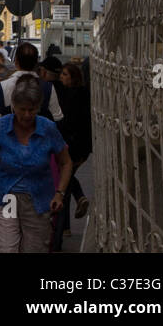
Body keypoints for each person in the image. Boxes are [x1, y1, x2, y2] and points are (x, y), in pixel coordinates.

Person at [0, 77, 73, 253]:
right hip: (7, 197)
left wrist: (60, 193)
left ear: (38, 108)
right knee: (7, 248)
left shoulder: (48, 129)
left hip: (38, 199)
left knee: (34, 248)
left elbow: (66, 162)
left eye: (32, 110)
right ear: (13, 105)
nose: (27, 115)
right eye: (23, 110)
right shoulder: (1, 126)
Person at [52, 62, 92, 249]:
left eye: (65, 74)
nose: (62, 77)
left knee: (64, 183)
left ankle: (61, 232)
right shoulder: (80, 94)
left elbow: (72, 122)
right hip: (79, 147)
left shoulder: (74, 96)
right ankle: (78, 201)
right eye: (61, 74)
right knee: (65, 183)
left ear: (73, 77)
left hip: (73, 147)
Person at [0, 42, 63, 121]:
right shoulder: (48, 87)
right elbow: (57, 117)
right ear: (36, 62)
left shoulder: (3, 85)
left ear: (16, 61)